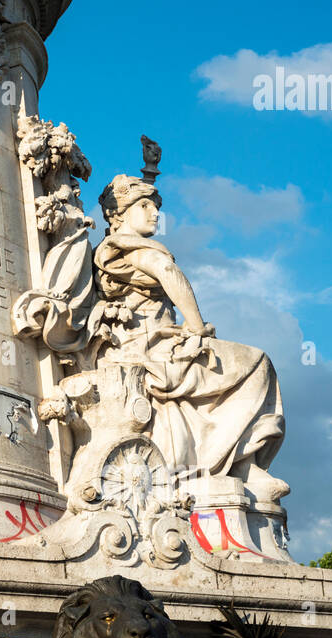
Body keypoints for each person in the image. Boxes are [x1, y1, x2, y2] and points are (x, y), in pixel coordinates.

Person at [89, 174, 289, 503]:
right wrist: (196, 326)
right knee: (256, 364)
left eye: (156, 206)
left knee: (238, 368)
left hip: (163, 340)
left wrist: (150, 173)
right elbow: (168, 273)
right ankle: (240, 463)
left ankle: (241, 464)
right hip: (149, 346)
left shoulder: (125, 247)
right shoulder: (126, 249)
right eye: (145, 205)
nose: (155, 213)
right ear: (121, 213)